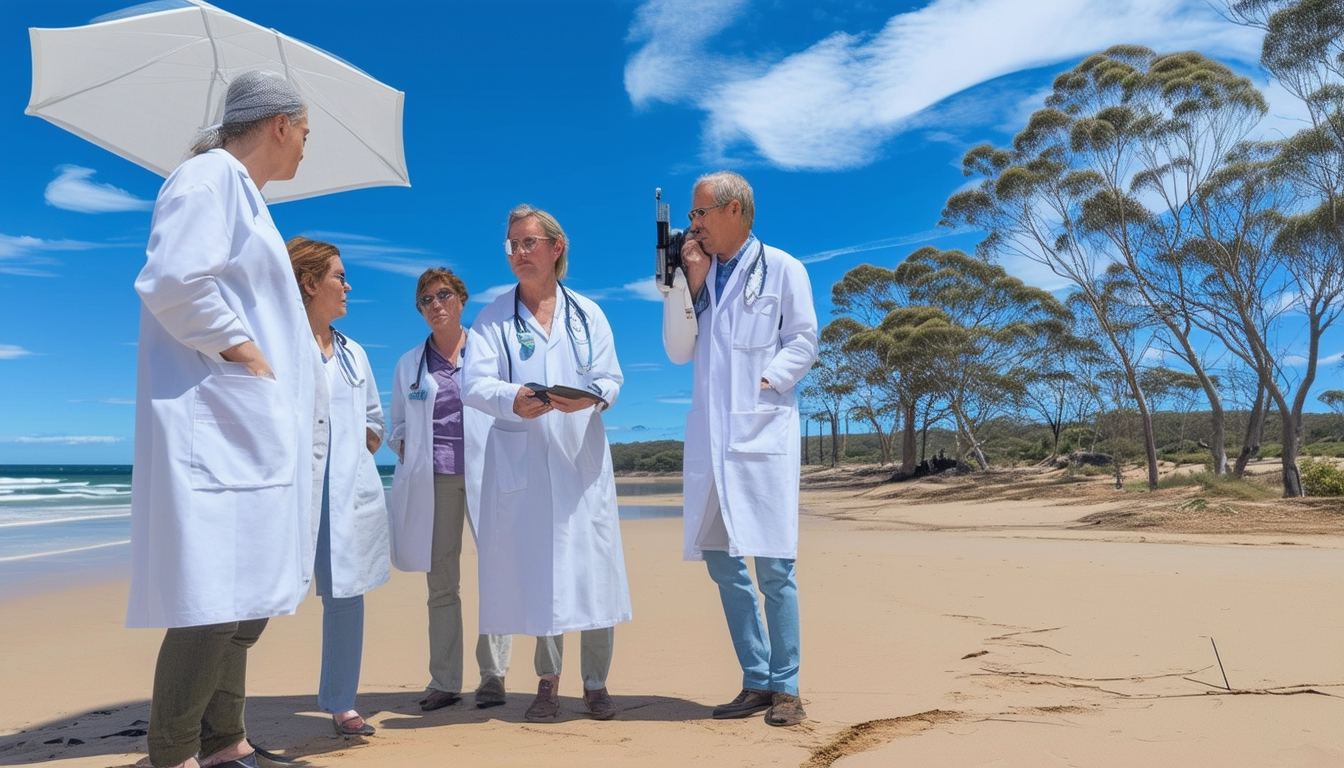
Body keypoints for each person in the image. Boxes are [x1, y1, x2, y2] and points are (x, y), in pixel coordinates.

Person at [128, 69, 322, 768]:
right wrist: (250, 358)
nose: (305, 146)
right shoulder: (205, 178)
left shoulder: (243, 196)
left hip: (248, 428)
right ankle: (175, 751)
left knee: (244, 602)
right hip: (222, 420)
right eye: (305, 131)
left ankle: (224, 743)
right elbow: (173, 279)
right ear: (279, 124)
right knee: (213, 599)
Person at [660, 171, 819, 727]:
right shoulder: (695, 272)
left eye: (700, 212)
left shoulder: (783, 268)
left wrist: (766, 382)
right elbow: (679, 352)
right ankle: (755, 680)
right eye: (691, 213)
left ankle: (788, 687)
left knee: (775, 565)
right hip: (712, 439)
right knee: (723, 563)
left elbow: (804, 338)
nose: (692, 223)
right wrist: (687, 285)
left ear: (734, 211)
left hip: (759, 432)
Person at [462, 205, 630, 722]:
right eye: (512, 244)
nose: (518, 253)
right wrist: (513, 397)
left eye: (528, 242)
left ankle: (597, 683)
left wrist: (591, 397)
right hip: (525, 460)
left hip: (581, 460)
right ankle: (547, 682)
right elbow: (474, 383)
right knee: (542, 573)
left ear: (556, 248)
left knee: (594, 571)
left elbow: (611, 378)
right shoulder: (493, 315)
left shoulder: (589, 314)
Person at [388, 268, 513, 712]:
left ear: (461, 300)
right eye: (426, 300)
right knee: (441, 582)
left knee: (494, 573)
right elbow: (397, 423)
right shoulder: (409, 364)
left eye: (443, 295)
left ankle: (494, 676)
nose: (435, 304)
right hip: (434, 482)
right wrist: (406, 443)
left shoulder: (488, 352)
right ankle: (444, 679)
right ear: (421, 310)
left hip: (488, 475)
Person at [287, 237, 390, 736]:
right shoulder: (282, 345)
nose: (348, 286)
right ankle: (220, 710)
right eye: (339, 276)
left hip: (346, 494)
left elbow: (374, 421)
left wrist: (349, 458)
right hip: (292, 493)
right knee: (260, 599)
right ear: (309, 283)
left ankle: (341, 702)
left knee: (346, 594)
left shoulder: (355, 353)